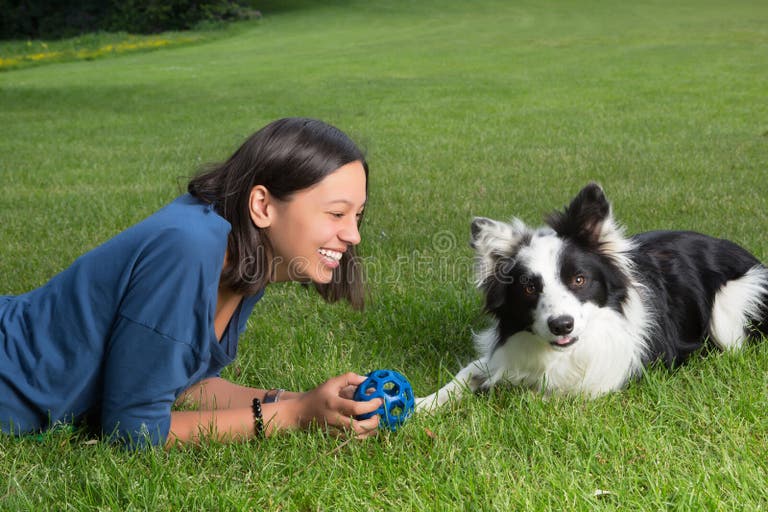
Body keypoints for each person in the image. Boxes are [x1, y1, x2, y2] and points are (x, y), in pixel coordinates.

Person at [0, 117, 383, 448]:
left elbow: (183, 386)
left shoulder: (248, 255)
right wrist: (295, 415)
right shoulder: (190, 246)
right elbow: (133, 431)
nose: (353, 235)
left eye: (357, 215)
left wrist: (303, 402)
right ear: (263, 206)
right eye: (336, 213)